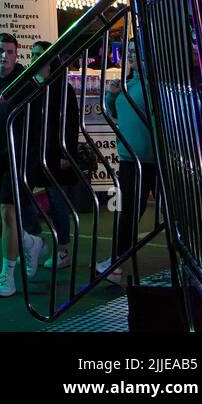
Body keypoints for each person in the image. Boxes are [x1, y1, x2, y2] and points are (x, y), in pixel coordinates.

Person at [0, 33, 45, 298]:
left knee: (7, 213)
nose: (5, 56)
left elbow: (35, 126)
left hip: (14, 160)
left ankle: (7, 275)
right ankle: (30, 242)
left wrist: (32, 160)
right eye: (1, 51)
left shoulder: (25, 84)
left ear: (17, 55)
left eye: (10, 52)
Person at [96, 39, 157, 283]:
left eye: (137, 51)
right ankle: (117, 261)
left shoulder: (153, 84)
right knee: (129, 210)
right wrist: (111, 96)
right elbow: (115, 112)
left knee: (169, 212)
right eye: (129, 51)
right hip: (130, 159)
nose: (131, 55)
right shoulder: (128, 83)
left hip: (151, 159)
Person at [23, 38, 81, 269]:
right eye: (34, 53)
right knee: (23, 196)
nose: (36, 57)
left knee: (58, 202)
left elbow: (71, 122)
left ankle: (63, 250)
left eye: (40, 54)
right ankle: (37, 239)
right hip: (34, 153)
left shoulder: (61, 87)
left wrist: (67, 153)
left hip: (56, 154)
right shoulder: (30, 85)